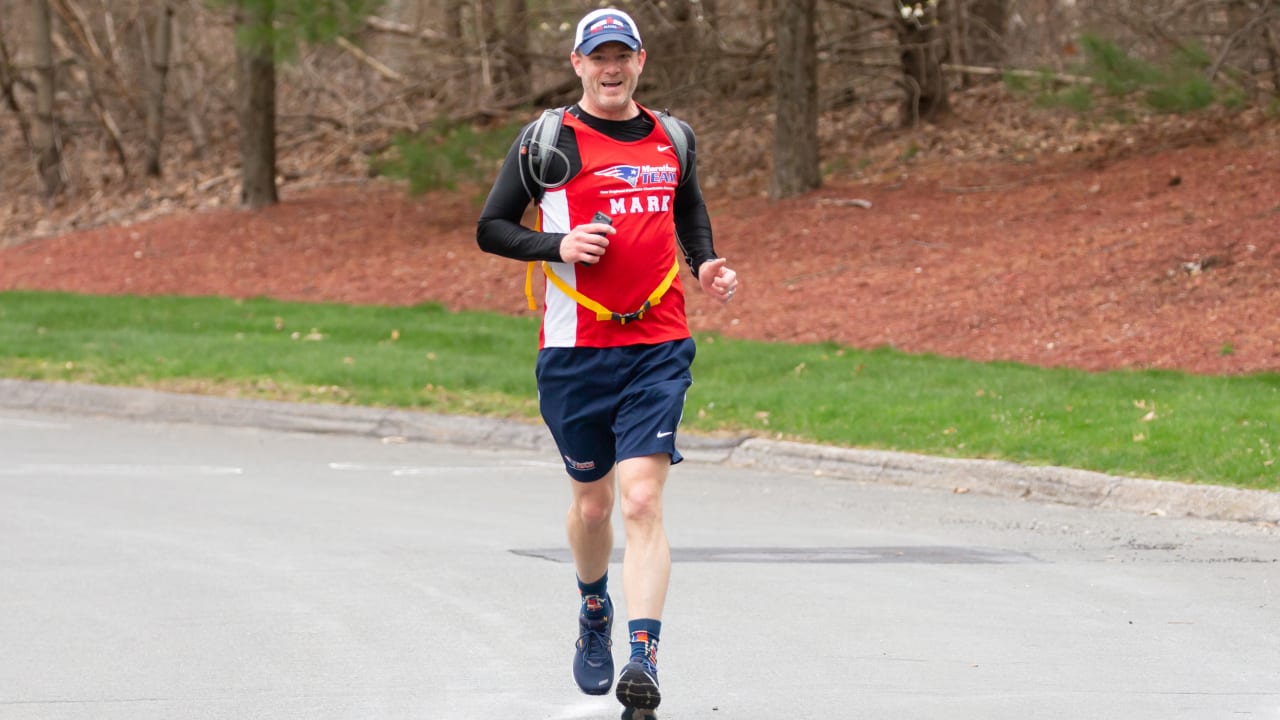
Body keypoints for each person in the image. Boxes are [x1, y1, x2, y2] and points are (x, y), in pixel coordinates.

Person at [476, 7, 738, 717]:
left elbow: (688, 209)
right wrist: (553, 246)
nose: (612, 68)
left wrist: (705, 263)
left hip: (658, 344)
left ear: (641, 61)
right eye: (600, 57)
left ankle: (643, 659)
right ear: (578, 64)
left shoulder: (671, 138)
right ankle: (595, 606)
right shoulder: (548, 143)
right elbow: (492, 228)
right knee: (591, 505)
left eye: (623, 55)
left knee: (643, 501)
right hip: (575, 352)